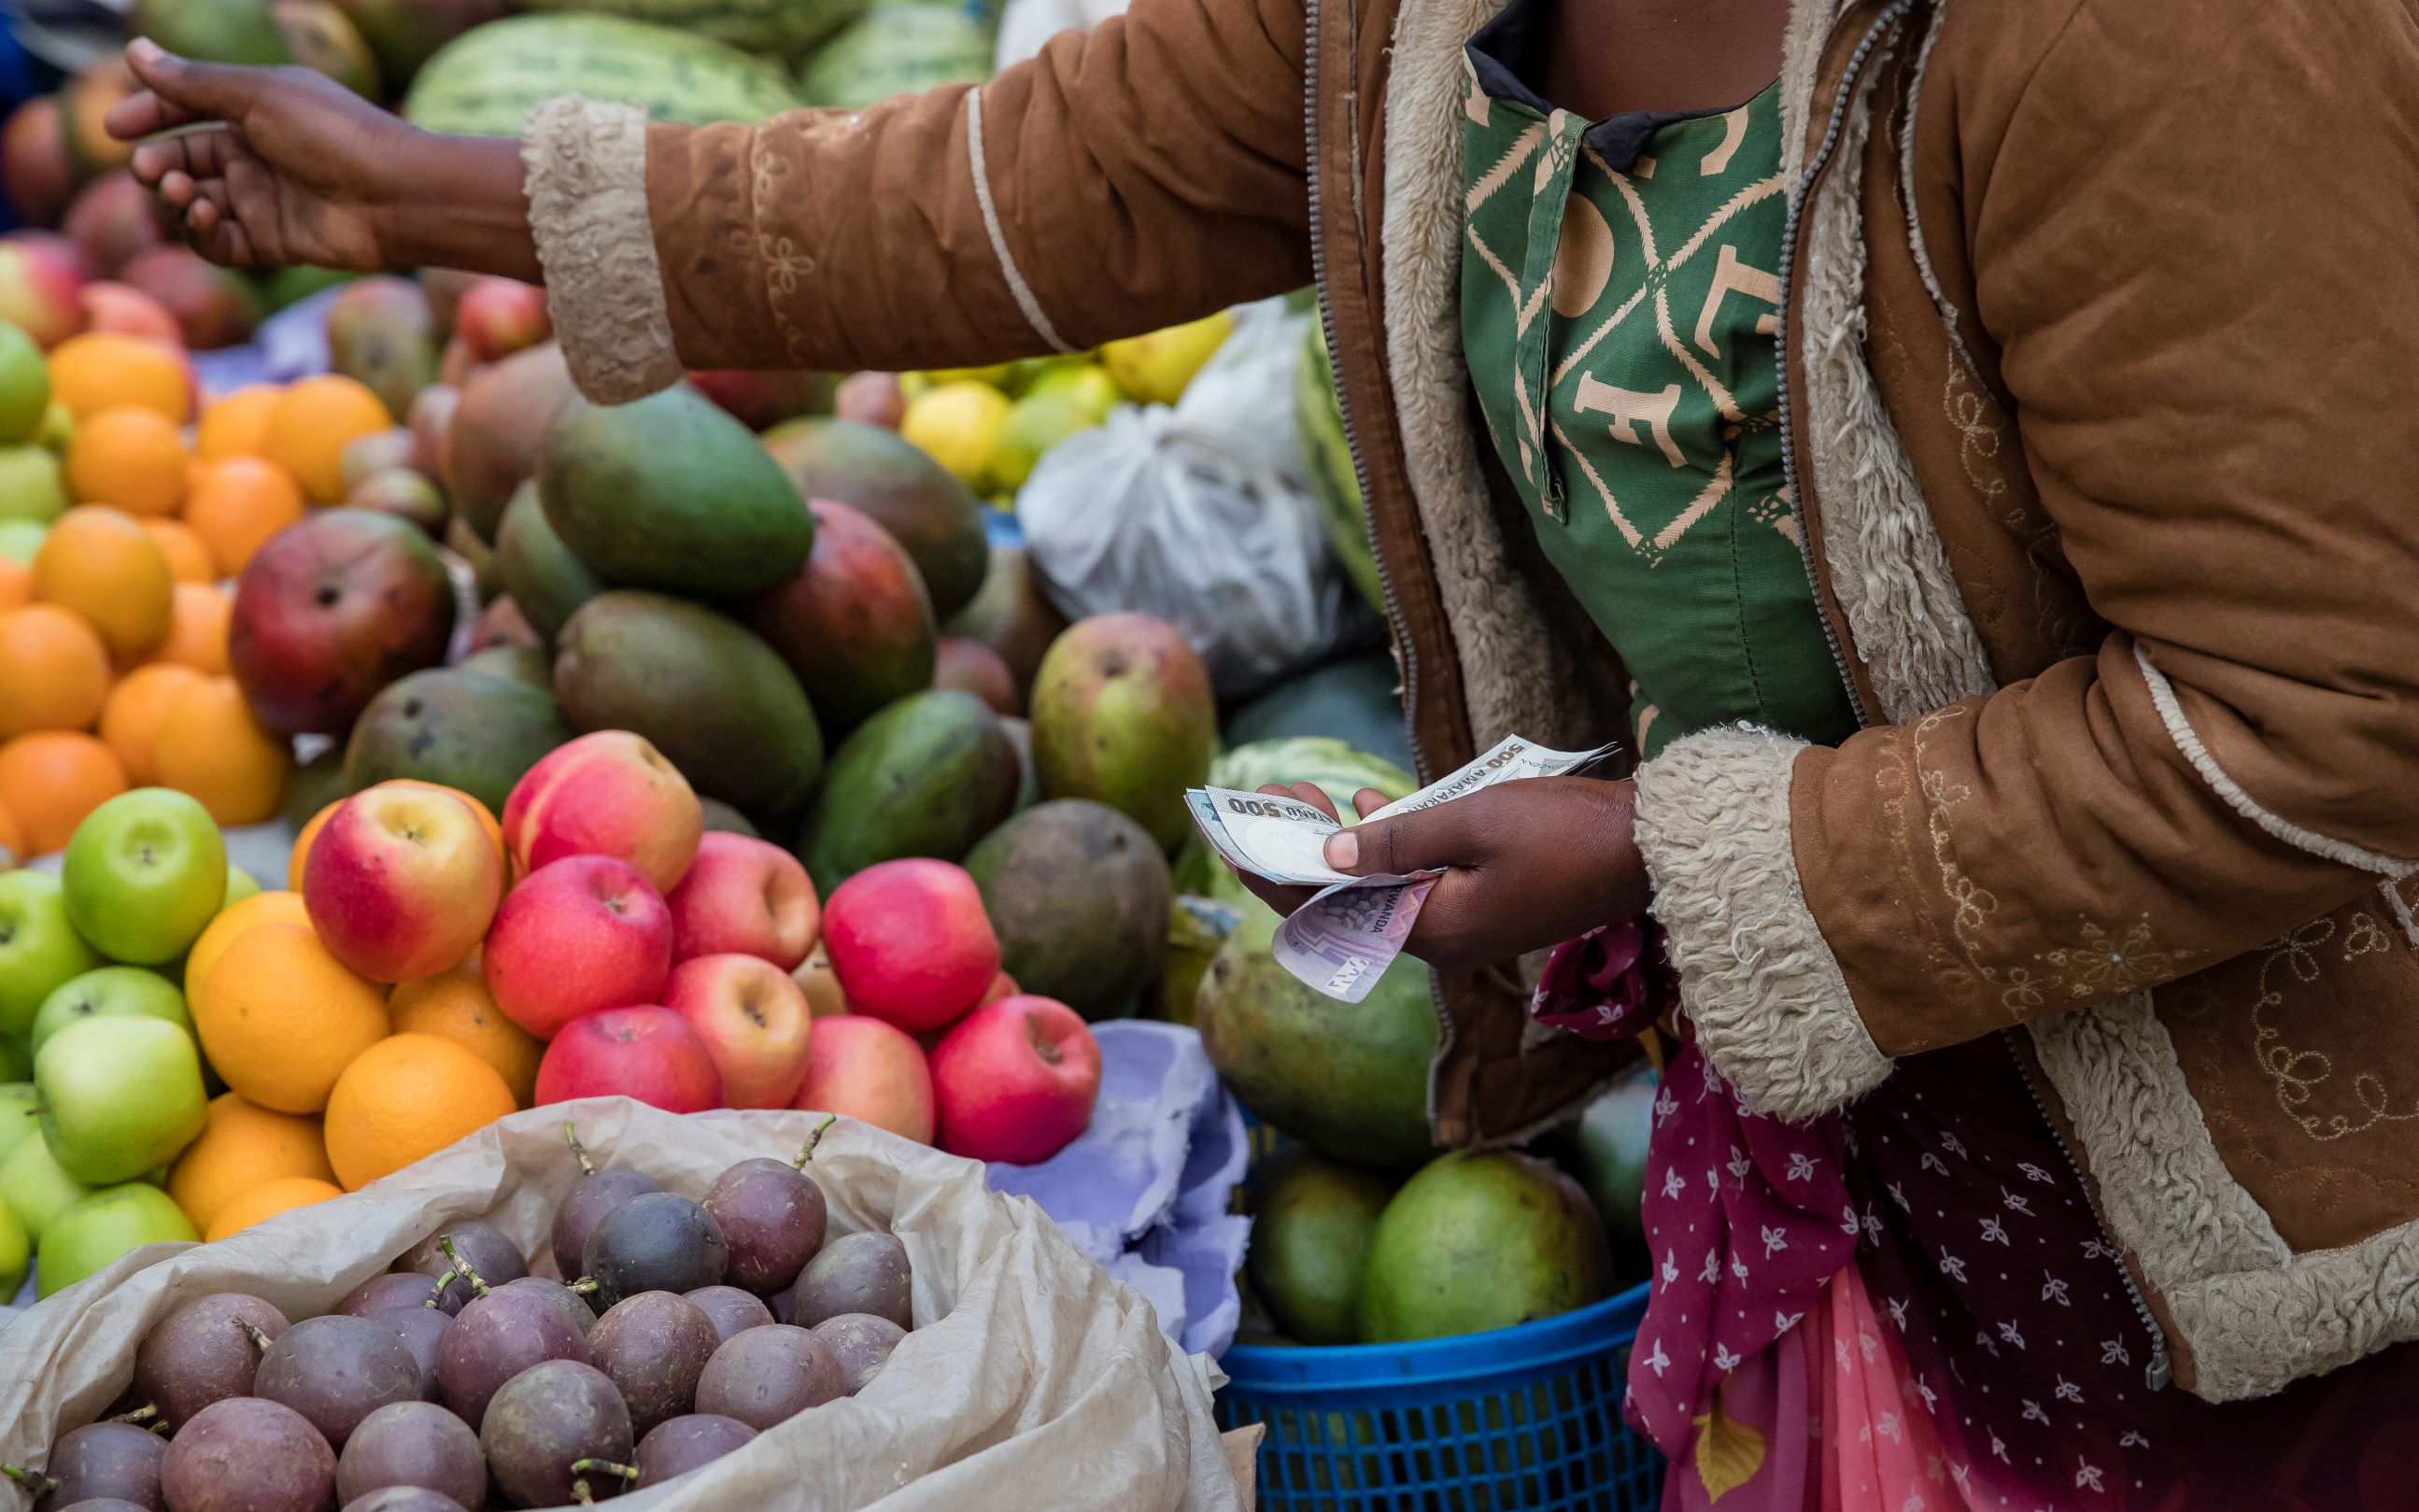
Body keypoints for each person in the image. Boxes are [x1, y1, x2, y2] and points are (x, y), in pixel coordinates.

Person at [105, 0, 2419, 1500]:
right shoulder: (1401, 16)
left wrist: (1646, 846)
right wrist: (408, 186)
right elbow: (1026, 183)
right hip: (1887, 1122)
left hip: (2282, 1163)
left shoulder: (2143, 41)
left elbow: (2324, 721)